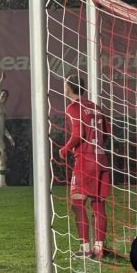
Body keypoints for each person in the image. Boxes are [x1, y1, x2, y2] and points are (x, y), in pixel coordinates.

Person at [58, 77, 110, 260]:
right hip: (102, 159)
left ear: (69, 88)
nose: (63, 87)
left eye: (65, 84)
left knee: (78, 205)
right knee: (98, 204)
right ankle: (99, 248)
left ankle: (86, 249)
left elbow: (78, 134)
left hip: (85, 162)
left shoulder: (72, 107)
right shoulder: (96, 106)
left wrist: (64, 149)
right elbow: (106, 132)